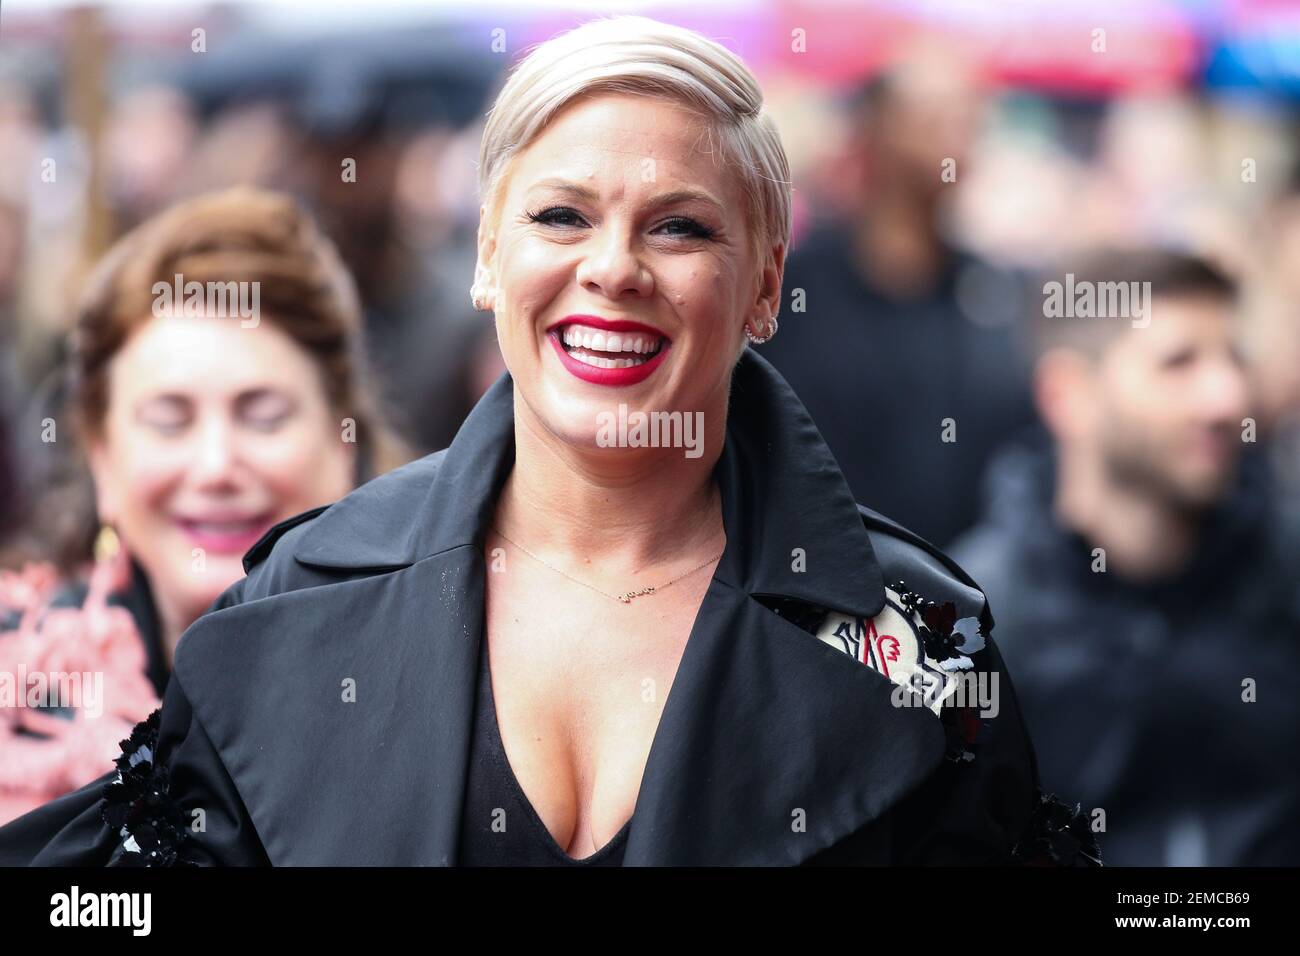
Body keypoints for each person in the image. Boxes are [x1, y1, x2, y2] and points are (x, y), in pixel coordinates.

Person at [0, 16, 1095, 867]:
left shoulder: (921, 639)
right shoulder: (298, 592)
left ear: (764, 284)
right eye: (560, 216)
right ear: (486, 253)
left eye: (679, 225)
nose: (612, 267)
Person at [0, 187, 407, 825]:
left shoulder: (443, 671)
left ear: (343, 435)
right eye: (169, 421)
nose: (216, 466)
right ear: (102, 458)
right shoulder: (15, 687)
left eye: (264, 416)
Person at [950, 248, 1300, 865]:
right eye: (1179, 363)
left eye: (1233, 359)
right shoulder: (979, 622)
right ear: (1069, 394)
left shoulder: (1285, 576)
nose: (1227, 397)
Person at [760, 46, 1037, 549]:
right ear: (873, 131)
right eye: (936, 116)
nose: (960, 138)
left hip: (966, 603)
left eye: (971, 118)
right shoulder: (788, 292)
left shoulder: (997, 298)